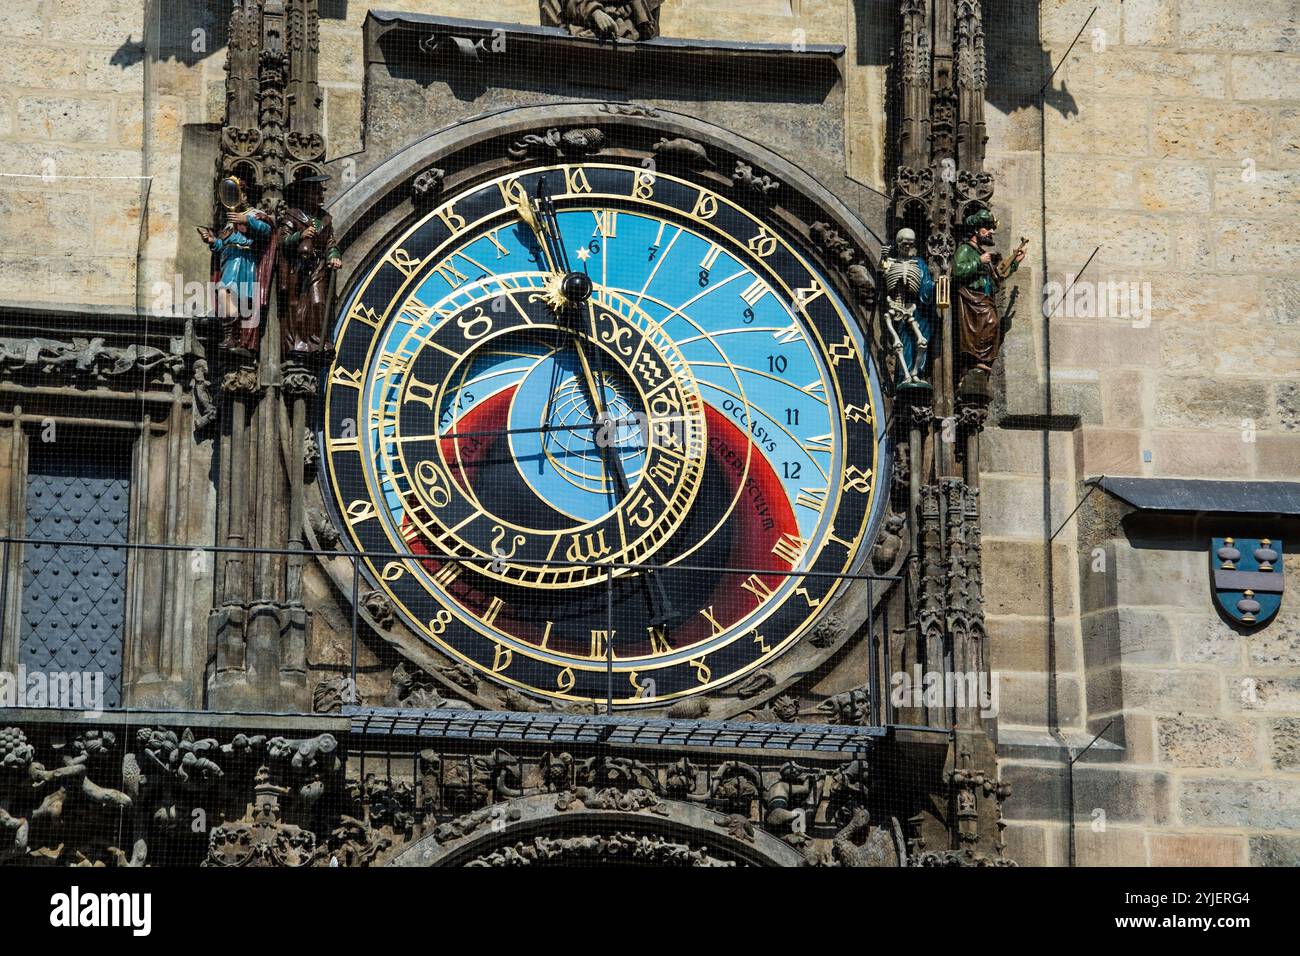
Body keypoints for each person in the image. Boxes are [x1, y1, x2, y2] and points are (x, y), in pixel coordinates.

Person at [196, 178, 277, 354]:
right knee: (225, 295)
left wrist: (247, 220)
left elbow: (267, 231)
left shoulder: (254, 214)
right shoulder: (228, 221)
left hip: (244, 261)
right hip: (229, 260)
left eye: (236, 193)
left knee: (230, 293)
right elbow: (222, 245)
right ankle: (230, 336)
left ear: (244, 195)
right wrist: (211, 241)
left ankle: (235, 335)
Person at [952, 209, 1025, 374]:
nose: (991, 231)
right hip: (971, 298)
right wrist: (979, 261)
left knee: (993, 324)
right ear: (976, 230)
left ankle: (980, 360)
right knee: (989, 323)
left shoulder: (982, 252)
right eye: (987, 227)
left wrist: (1014, 263)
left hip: (984, 297)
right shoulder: (965, 249)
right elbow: (957, 271)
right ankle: (974, 361)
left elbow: (997, 276)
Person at [279, 174, 341, 355]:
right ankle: (299, 341)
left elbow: (330, 242)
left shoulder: (325, 219)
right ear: (305, 195)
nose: (321, 197)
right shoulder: (293, 215)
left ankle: (317, 341)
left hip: (318, 266)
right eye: (317, 193)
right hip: (298, 267)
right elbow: (282, 241)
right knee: (298, 304)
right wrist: (301, 235)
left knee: (318, 302)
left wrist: (334, 255)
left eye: (321, 192)